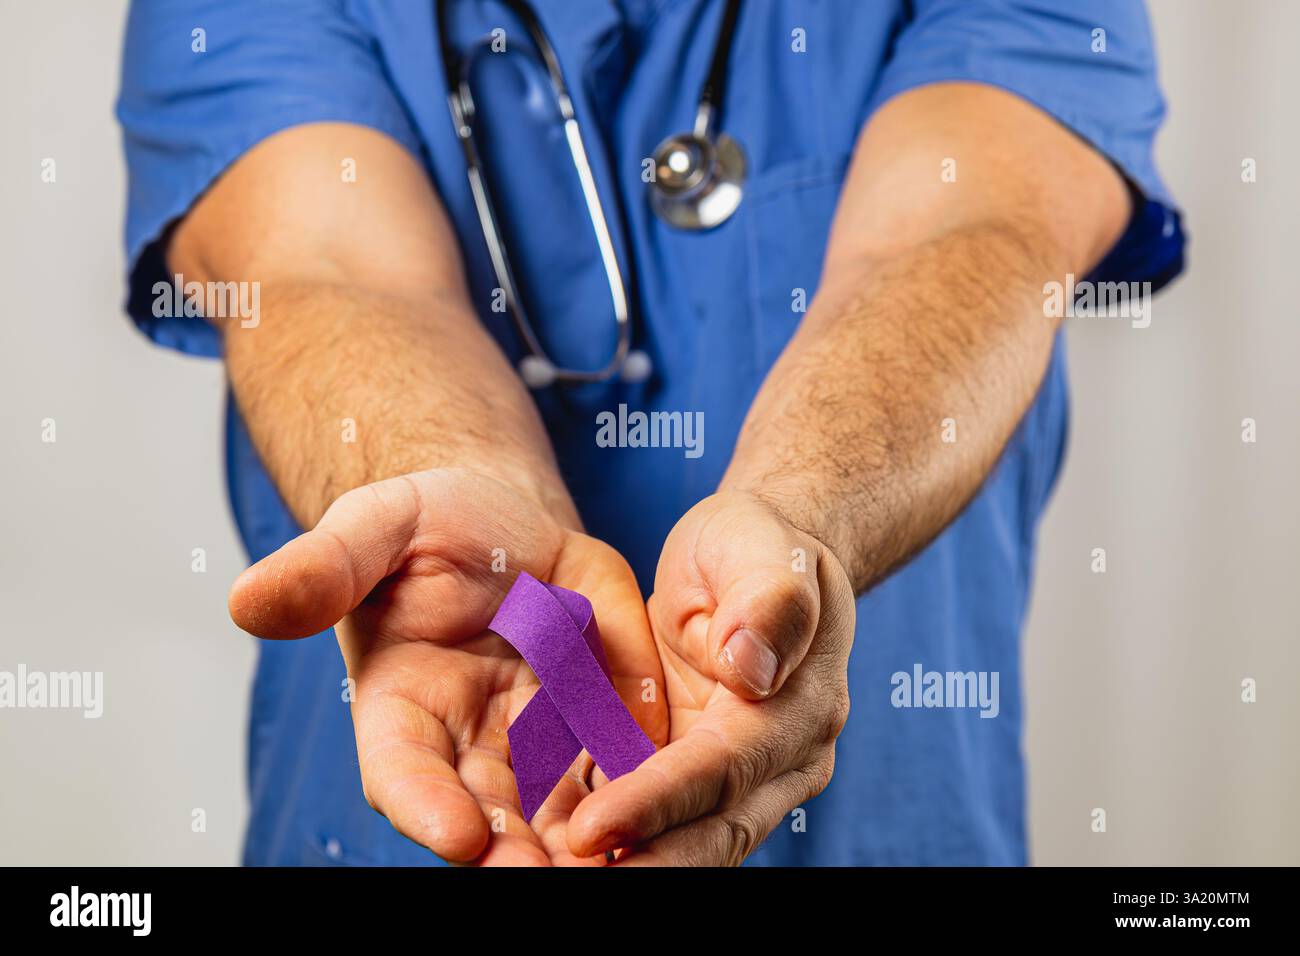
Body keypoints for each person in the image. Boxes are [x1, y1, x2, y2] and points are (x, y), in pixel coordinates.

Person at [116, 0, 1184, 866]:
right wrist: (454, 481)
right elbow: (323, 272)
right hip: (420, 816)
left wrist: (796, 519)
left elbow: (978, 232)